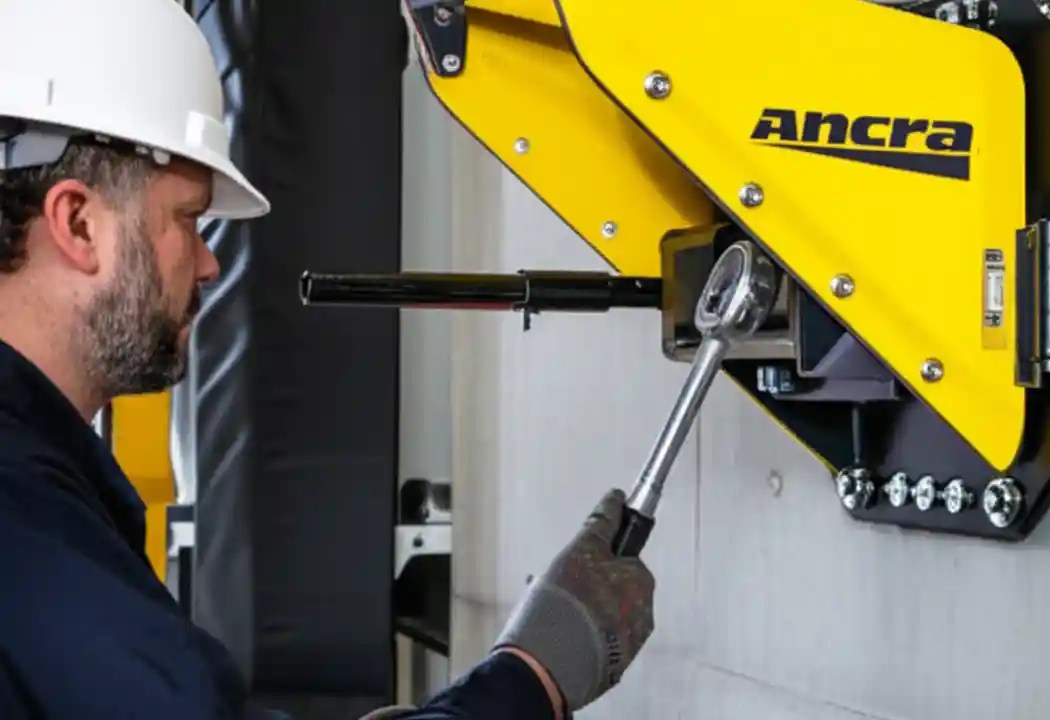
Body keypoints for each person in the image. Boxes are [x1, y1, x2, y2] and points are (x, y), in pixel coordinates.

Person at [0, 0, 655, 718]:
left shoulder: (42, 488)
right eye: (188, 218)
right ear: (78, 224)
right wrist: (534, 675)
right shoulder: (22, 510)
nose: (211, 262)